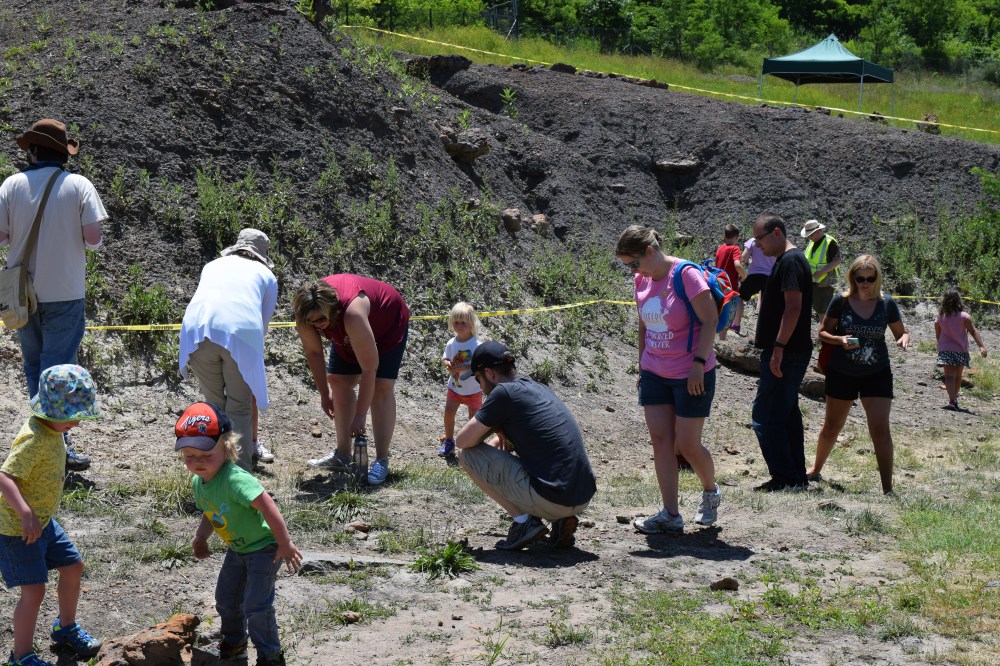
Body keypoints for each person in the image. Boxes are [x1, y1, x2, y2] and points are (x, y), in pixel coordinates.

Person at [0, 119, 107, 473]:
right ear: (63, 153)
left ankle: (40, 444)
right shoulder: (79, 185)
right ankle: (58, 448)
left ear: (33, 150)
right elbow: (93, 239)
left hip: (23, 294)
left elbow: (0, 236)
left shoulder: (11, 184)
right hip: (65, 293)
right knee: (58, 372)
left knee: (34, 368)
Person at [176, 402, 301, 666]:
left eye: (206, 454)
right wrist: (201, 537)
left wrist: (285, 543)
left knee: (256, 606)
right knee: (227, 600)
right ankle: (234, 646)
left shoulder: (235, 479)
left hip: (265, 548)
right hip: (238, 549)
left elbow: (267, 505)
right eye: (189, 455)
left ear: (227, 447)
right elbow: (211, 511)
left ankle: (271, 656)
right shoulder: (199, 482)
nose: (197, 461)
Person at [615, 225, 722, 534]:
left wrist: (698, 364)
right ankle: (671, 514)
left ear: (650, 251)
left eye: (634, 263)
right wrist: (642, 367)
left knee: (687, 445)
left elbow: (710, 320)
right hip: (654, 372)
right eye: (628, 266)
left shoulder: (686, 274)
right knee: (661, 442)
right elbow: (643, 326)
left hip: (691, 373)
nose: (633, 271)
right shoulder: (641, 280)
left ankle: (710, 491)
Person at [0, 365, 103, 666]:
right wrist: (25, 514)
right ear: (53, 412)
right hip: (19, 527)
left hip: (43, 521)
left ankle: (65, 628)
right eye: (73, 415)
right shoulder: (34, 438)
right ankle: (21, 657)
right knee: (34, 591)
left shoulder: (54, 429)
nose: (78, 421)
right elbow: (5, 477)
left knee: (73, 566)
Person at [455, 342, 596, 550]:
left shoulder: (503, 393)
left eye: (478, 379)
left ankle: (524, 522)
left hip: (553, 499)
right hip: (582, 496)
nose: (480, 387)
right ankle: (560, 520)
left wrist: (494, 426)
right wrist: (500, 430)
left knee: (466, 454)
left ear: (489, 373)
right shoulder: (539, 388)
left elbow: (462, 441)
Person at [806, 256, 909, 494]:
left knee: (880, 428)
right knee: (832, 425)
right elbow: (822, 333)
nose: (864, 283)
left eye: (870, 279)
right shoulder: (841, 301)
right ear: (852, 277)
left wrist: (904, 339)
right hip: (843, 371)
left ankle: (887, 489)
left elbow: (901, 333)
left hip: (877, 372)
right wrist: (840, 339)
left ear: (877, 278)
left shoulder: (886, 303)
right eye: (860, 278)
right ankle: (815, 468)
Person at [293, 275, 410, 485]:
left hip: (387, 323)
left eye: (321, 320)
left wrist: (360, 415)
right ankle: (343, 455)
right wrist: (324, 394)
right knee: (338, 381)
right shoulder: (306, 314)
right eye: (312, 322)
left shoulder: (352, 313)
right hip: (347, 326)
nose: (317, 326)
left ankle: (381, 460)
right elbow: (313, 353)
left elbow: (369, 369)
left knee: (381, 386)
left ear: (332, 309)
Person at [179, 228, 278, 471]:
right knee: (239, 407)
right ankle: (239, 473)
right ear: (262, 254)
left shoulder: (212, 265)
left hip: (196, 331)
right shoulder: (267, 275)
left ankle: (213, 468)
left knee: (214, 404)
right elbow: (262, 324)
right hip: (241, 335)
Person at [750, 213, 814, 492]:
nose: (757, 245)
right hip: (789, 350)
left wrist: (778, 346)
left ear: (776, 233)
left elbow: (793, 308)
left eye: (760, 239)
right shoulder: (788, 260)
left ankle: (786, 477)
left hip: (787, 352)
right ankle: (795, 476)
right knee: (786, 415)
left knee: (766, 415)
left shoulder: (790, 262)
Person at [438, 302, 482, 461]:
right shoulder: (452, 342)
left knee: (474, 419)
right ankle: (449, 440)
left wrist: (467, 366)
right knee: (449, 412)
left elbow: (481, 365)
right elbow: (445, 357)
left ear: (472, 323)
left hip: (474, 389)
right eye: (456, 322)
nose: (459, 326)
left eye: (463, 322)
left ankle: (472, 444)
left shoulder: (476, 345)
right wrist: (447, 363)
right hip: (455, 387)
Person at [935, 288, 988, 411]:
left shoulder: (940, 317)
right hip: (961, 350)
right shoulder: (964, 316)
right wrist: (981, 346)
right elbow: (973, 331)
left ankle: (952, 400)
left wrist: (941, 346)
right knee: (958, 376)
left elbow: (938, 334)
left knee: (949, 376)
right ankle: (953, 399)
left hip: (946, 350)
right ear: (959, 300)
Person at [801, 219, 841, 325]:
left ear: (818, 231)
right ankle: (822, 329)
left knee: (824, 309)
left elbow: (837, 261)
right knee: (819, 308)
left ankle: (824, 330)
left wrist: (821, 272)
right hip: (814, 281)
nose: (809, 237)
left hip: (825, 282)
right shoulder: (812, 242)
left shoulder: (829, 242)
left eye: (810, 235)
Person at [714, 224, 746, 337]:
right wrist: (744, 275)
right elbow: (737, 265)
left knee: (719, 312)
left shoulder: (720, 249)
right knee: (728, 315)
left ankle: (716, 339)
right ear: (737, 237)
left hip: (718, 286)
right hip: (730, 288)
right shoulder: (735, 248)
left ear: (724, 236)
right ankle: (722, 340)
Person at [736, 235, 776, 316]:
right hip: (770, 277)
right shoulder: (773, 241)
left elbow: (744, 258)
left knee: (740, 297)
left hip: (754, 276)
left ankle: (736, 321)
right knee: (767, 303)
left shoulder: (753, 241)